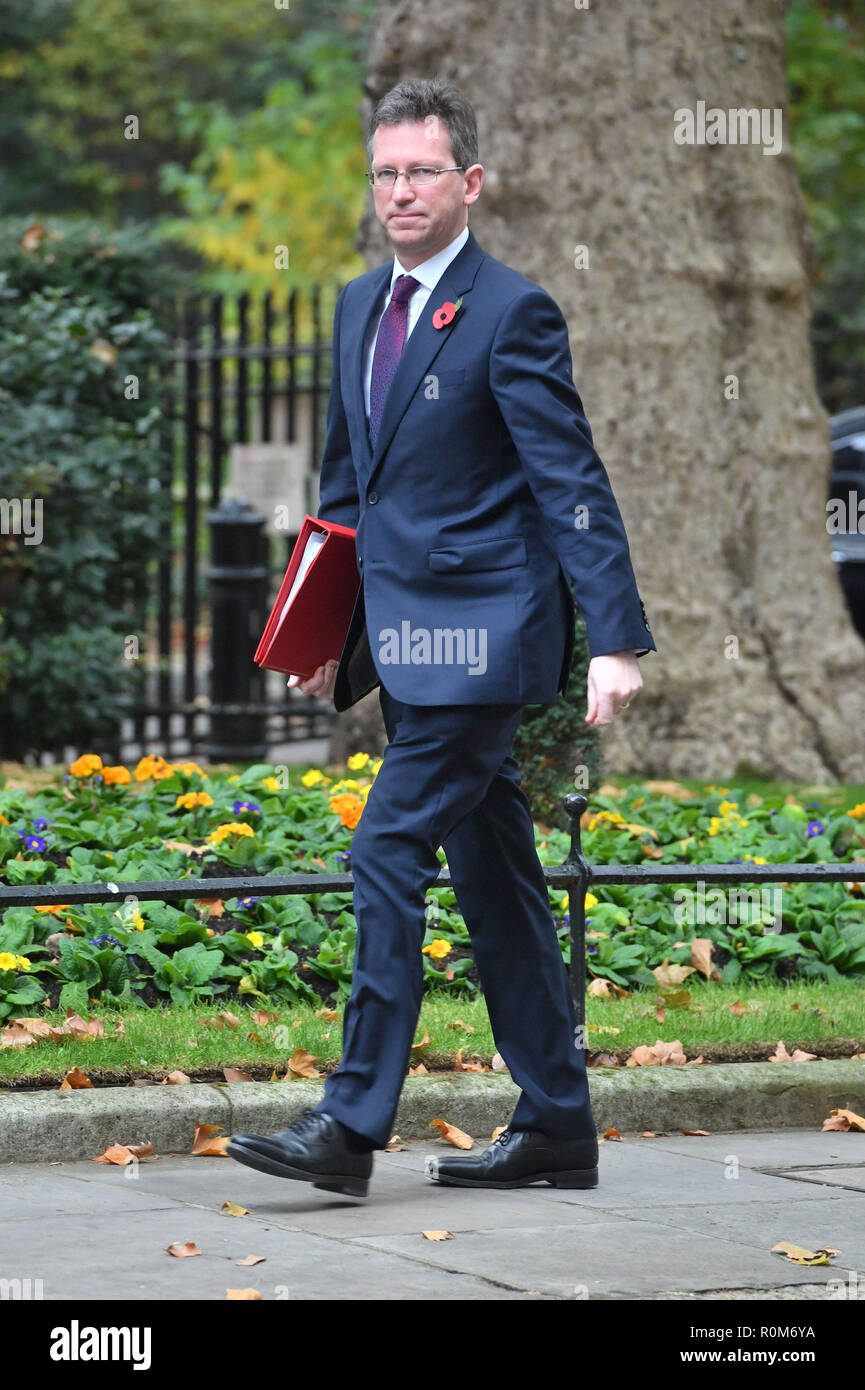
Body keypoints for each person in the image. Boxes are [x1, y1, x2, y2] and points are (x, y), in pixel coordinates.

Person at [227, 77, 657, 1199]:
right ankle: (558, 1122)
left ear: (469, 183)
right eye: (385, 172)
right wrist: (324, 623)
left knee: (384, 849)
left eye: (422, 170)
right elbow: (345, 480)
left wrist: (613, 636)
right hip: (405, 643)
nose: (400, 190)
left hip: (488, 640)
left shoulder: (513, 311)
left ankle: (350, 1121)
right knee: (497, 874)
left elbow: (570, 481)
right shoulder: (356, 306)